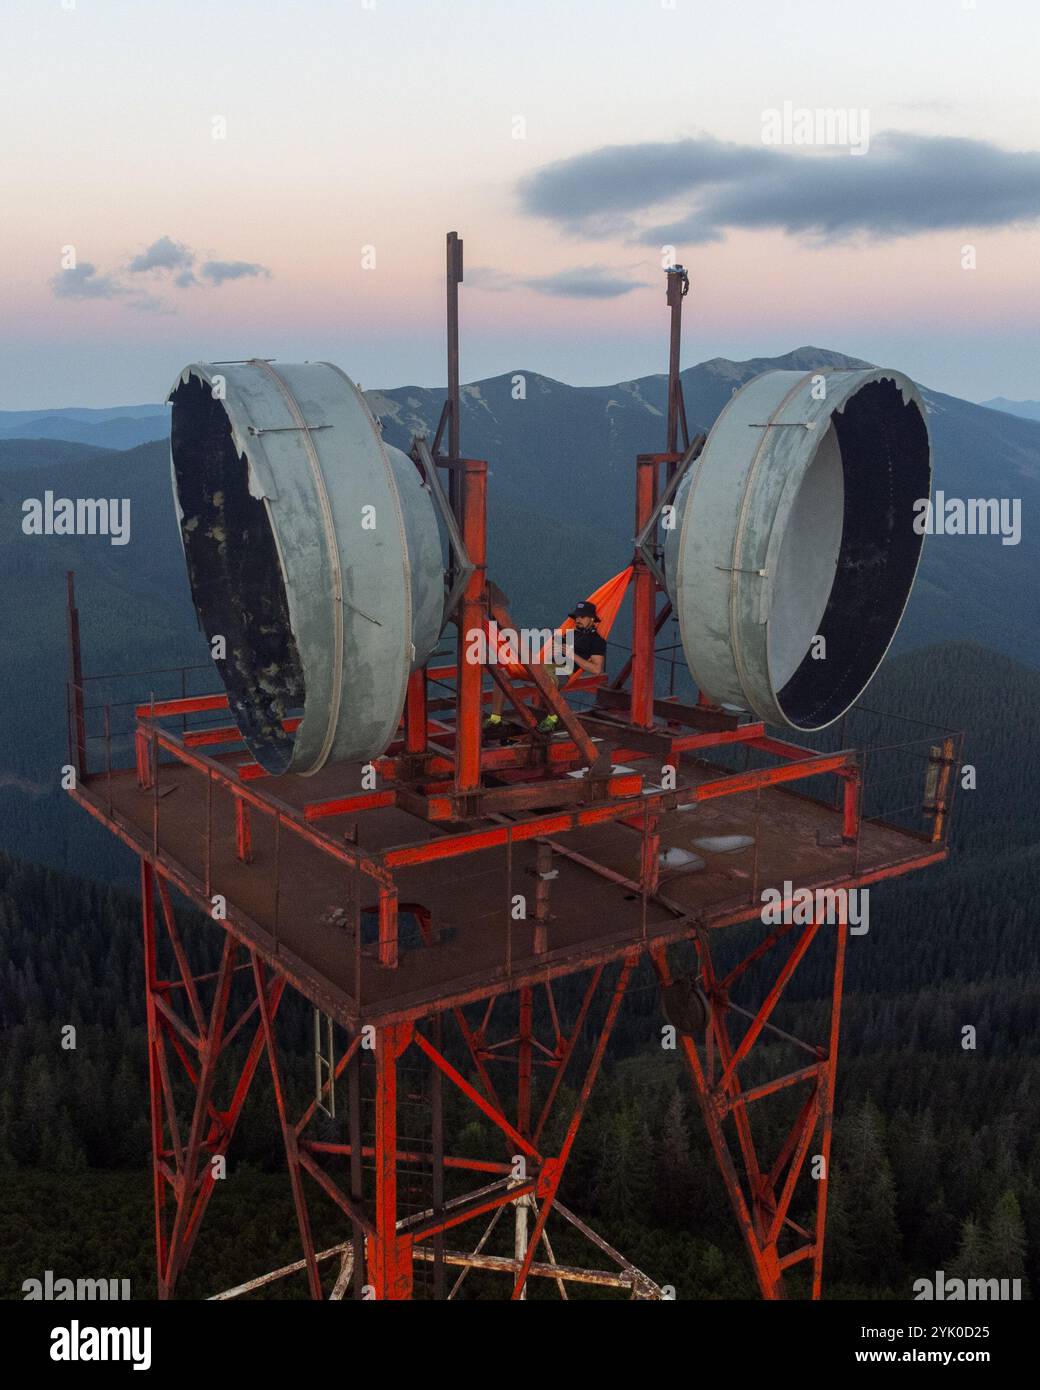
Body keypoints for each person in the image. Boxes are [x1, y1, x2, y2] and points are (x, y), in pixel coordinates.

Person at [484, 598, 607, 734]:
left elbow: (596, 669)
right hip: (545, 665)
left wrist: (572, 655)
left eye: (582, 617)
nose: (578, 619)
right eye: (577, 616)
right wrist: (552, 650)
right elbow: (550, 654)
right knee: (502, 674)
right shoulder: (570, 634)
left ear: (592, 619)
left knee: (546, 680)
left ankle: (554, 717)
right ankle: (495, 718)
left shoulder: (597, 641)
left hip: (563, 671)